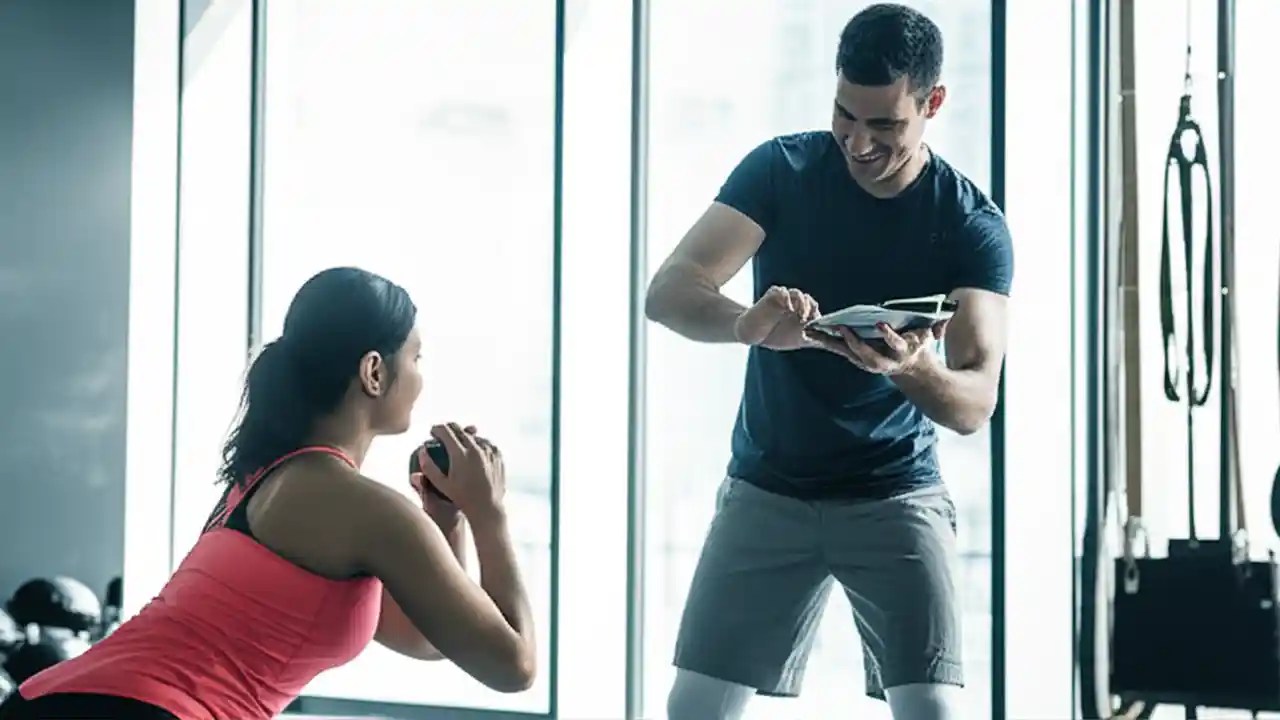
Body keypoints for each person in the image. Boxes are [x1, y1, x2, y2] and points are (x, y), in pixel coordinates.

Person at [645, 5, 1013, 720]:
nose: (859, 141)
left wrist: (909, 369)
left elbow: (975, 401)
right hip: (767, 486)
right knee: (692, 708)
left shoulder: (971, 223)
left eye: (885, 125)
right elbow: (669, 292)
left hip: (895, 493)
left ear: (932, 104)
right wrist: (747, 326)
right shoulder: (781, 170)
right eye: (847, 114)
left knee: (934, 707)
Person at [0, 267, 537, 720]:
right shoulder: (364, 507)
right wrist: (490, 515)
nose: (421, 378)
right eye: (417, 358)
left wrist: (447, 518)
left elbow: (430, 636)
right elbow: (513, 666)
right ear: (375, 371)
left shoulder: (267, 477)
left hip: (58, 699)